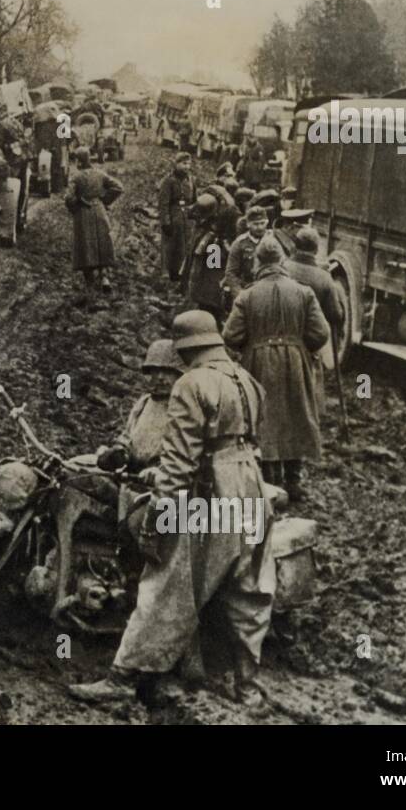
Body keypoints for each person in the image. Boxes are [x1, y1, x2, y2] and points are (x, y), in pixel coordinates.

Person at [70, 310, 275, 707]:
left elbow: (179, 463)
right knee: (249, 590)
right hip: (251, 487)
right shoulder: (248, 381)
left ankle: (122, 678)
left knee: (166, 585)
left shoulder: (192, 385)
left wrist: (157, 520)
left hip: (209, 492)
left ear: (183, 349)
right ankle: (246, 686)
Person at [223, 235, 330, 500]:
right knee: (296, 414)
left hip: (258, 363)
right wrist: (300, 348)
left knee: (264, 418)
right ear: (282, 260)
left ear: (258, 262)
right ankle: (294, 483)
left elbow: (230, 336)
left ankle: (270, 481)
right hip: (296, 361)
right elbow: (321, 332)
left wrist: (252, 347)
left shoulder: (247, 296)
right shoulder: (304, 293)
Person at [283, 225, 344, 414]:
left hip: (282, 333)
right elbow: (336, 315)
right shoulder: (324, 278)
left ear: (294, 246)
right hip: (309, 340)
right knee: (312, 373)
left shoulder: (283, 268)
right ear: (316, 250)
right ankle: (312, 411)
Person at [101, 339, 187, 472]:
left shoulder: (185, 409)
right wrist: (118, 452)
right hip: (130, 475)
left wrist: (161, 470)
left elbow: (185, 455)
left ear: (179, 374)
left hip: (163, 481)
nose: (160, 377)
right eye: (155, 371)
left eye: (167, 371)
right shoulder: (144, 403)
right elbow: (127, 437)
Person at [64, 146, 123, 304]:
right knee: (102, 242)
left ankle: (89, 283)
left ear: (78, 161)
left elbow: (69, 198)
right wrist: (104, 200)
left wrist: (76, 206)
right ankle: (105, 277)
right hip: (99, 210)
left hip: (83, 213)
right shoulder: (100, 173)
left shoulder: (76, 178)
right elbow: (118, 187)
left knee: (85, 244)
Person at [185, 195, 227, 324]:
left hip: (209, 283)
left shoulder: (213, 232)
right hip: (203, 275)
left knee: (209, 307)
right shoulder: (204, 226)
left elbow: (214, 264)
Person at [222, 204, 274, 303]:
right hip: (248, 289)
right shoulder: (239, 243)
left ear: (267, 223)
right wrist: (239, 295)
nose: (259, 227)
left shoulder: (274, 239)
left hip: (270, 289)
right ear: (248, 224)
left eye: (262, 223)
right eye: (255, 224)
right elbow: (230, 273)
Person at [157, 153, 195, 284]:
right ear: (176, 164)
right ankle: (165, 272)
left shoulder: (190, 179)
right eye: (183, 163)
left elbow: (194, 199)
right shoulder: (169, 181)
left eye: (188, 164)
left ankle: (178, 272)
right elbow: (163, 203)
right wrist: (165, 222)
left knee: (183, 245)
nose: (186, 166)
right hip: (173, 215)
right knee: (169, 245)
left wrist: (193, 216)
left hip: (186, 218)